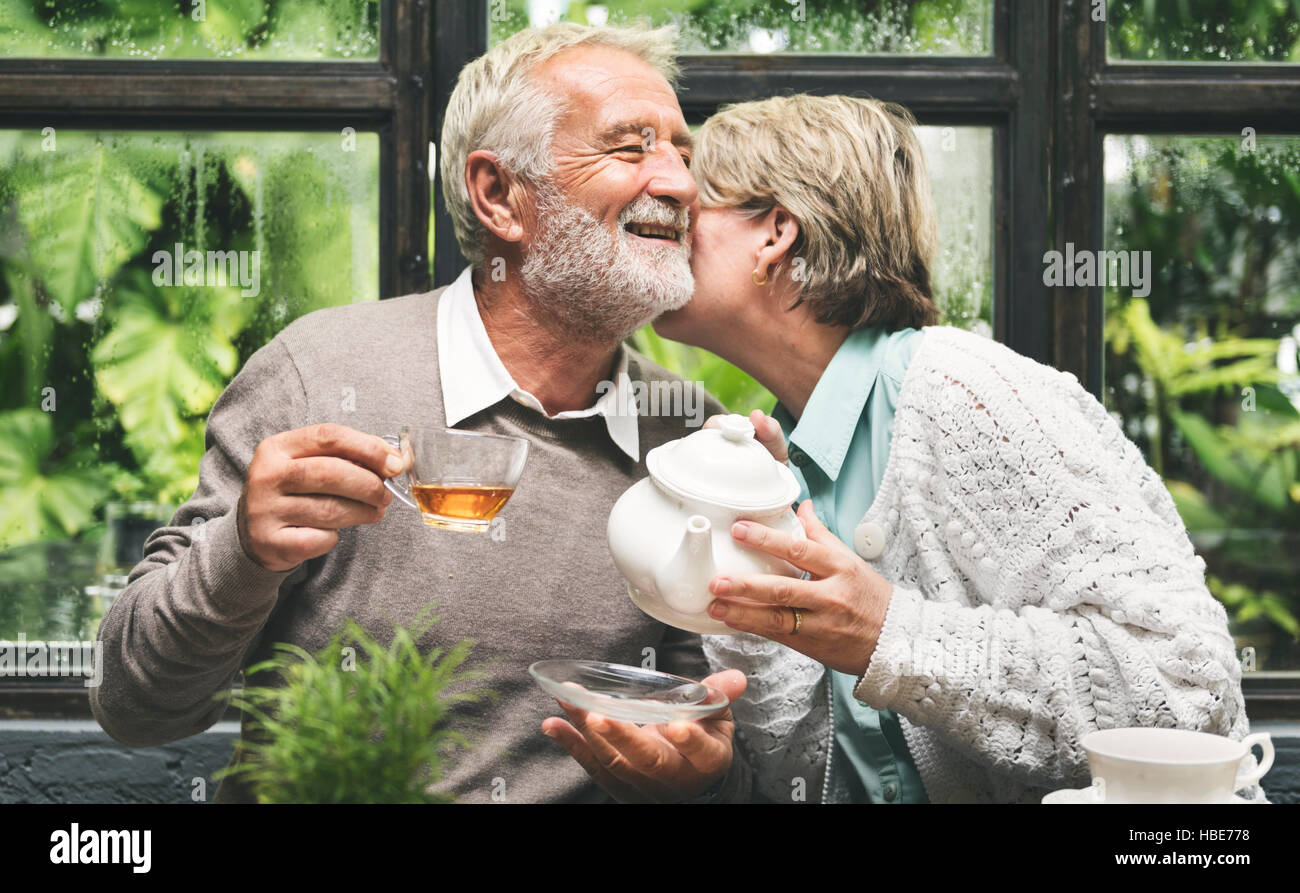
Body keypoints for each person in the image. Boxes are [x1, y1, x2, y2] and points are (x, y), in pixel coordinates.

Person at [89, 22, 749, 804]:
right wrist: (242, 553)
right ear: (498, 194)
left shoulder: (692, 440)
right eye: (630, 148)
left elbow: (708, 729)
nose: (680, 184)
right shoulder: (319, 374)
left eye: (681, 151)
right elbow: (133, 703)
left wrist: (700, 777)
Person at [646, 93, 1254, 803]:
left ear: (776, 233)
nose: (667, 227)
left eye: (692, 206)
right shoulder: (783, 461)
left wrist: (888, 633)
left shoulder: (967, 392)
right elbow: (809, 777)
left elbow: (1187, 690)